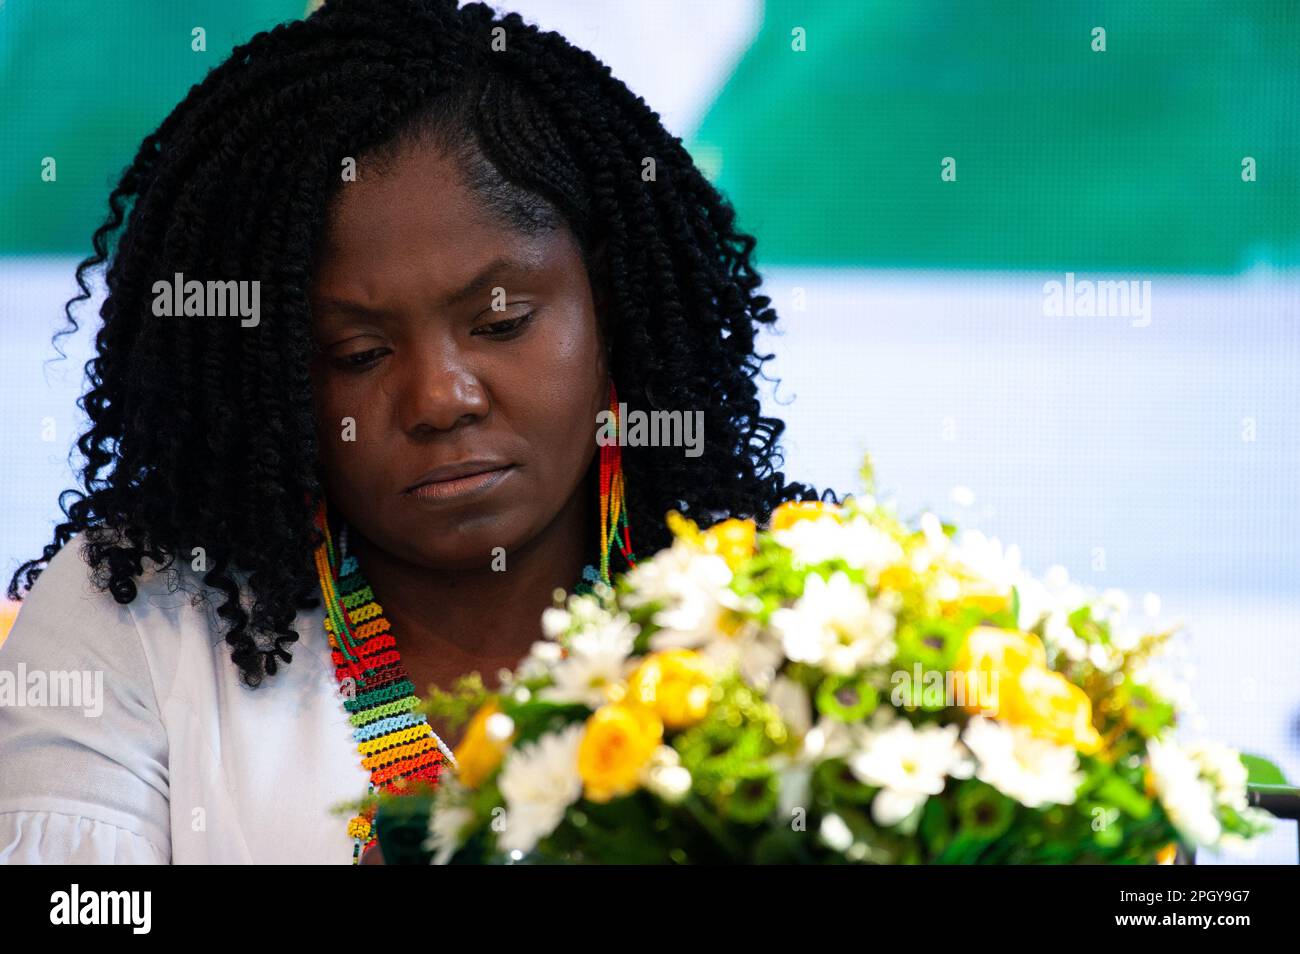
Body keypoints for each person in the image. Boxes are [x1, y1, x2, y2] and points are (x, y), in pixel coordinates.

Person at [0, 0, 834, 864]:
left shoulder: (800, 617)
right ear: (272, 377)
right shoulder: (133, 618)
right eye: (358, 353)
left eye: (502, 321)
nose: (441, 397)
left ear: (613, 312)